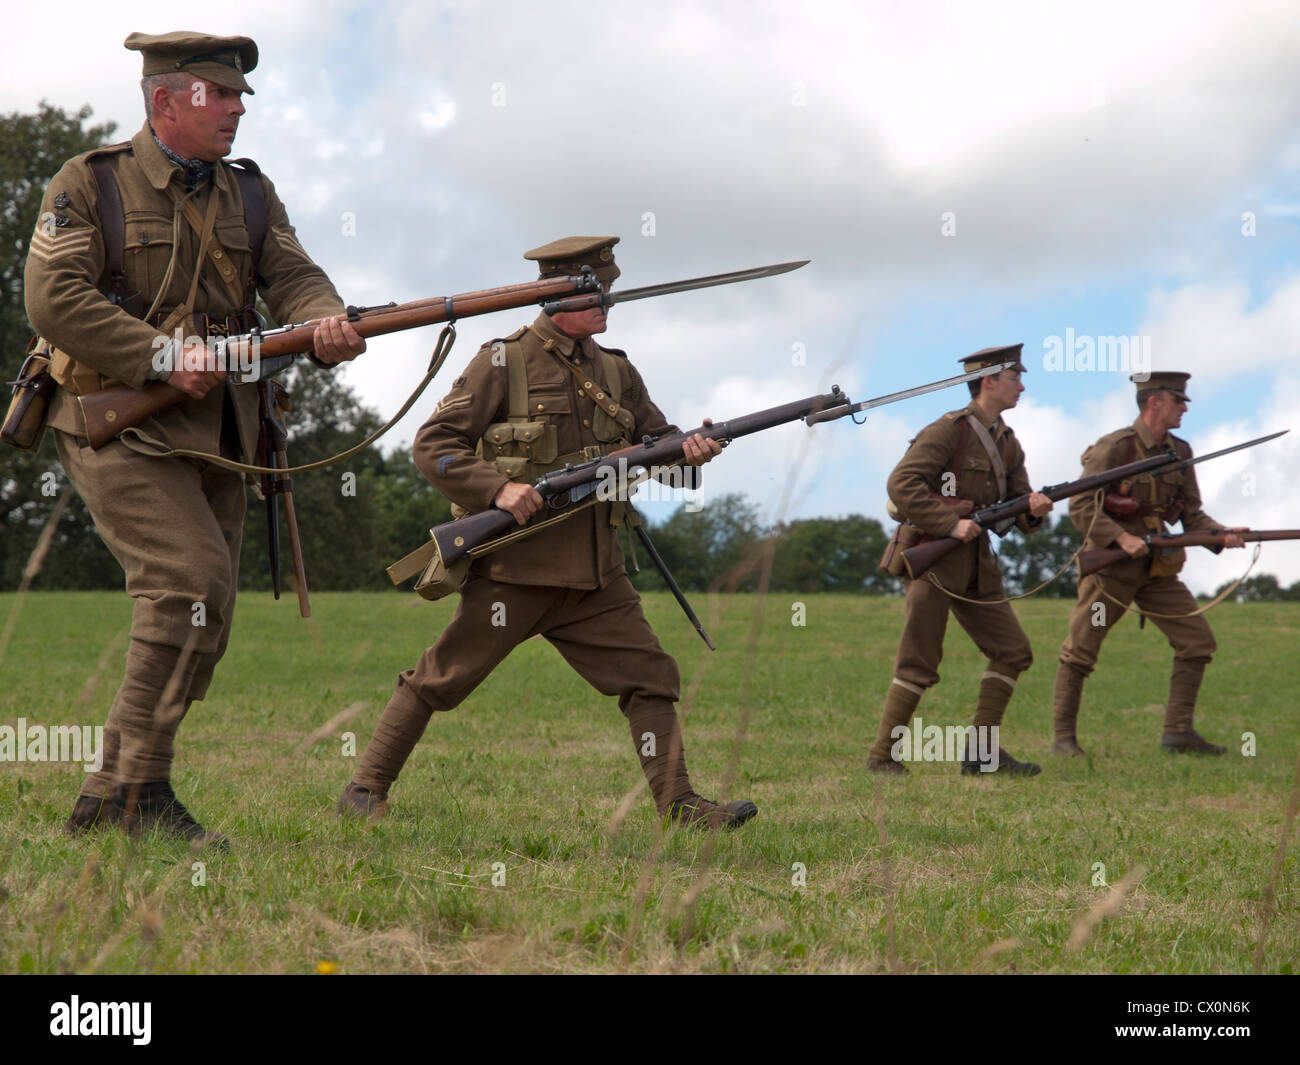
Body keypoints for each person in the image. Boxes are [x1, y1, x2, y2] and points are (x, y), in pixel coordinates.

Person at [24, 31, 366, 846]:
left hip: (221, 428)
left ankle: (128, 793)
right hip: (117, 417)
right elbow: (53, 298)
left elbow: (292, 273)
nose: (239, 108)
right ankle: (123, 797)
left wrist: (324, 320)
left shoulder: (249, 194)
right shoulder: (90, 184)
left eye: (241, 95)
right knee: (188, 581)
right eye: (220, 94)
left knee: (208, 610)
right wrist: (161, 356)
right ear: (165, 101)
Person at [337, 236, 757, 829]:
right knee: (440, 679)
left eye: (609, 289)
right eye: (596, 291)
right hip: (517, 571)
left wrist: (692, 451)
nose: (608, 302)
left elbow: (657, 452)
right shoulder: (503, 361)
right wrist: (497, 489)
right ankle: (364, 790)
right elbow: (434, 445)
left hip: (596, 575)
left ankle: (680, 806)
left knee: (650, 677)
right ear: (556, 294)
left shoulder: (617, 369)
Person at [867, 347, 1053, 776]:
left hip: (976, 565)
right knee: (919, 660)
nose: (1022, 386)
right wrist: (950, 524)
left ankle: (981, 755)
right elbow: (901, 484)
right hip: (933, 559)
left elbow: (1016, 507)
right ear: (990, 381)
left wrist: (1033, 510)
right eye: (1014, 377)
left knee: (1013, 651)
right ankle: (882, 756)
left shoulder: (1008, 442)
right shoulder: (948, 431)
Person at [1051, 372, 1245, 757]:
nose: (1185, 407)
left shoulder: (1181, 452)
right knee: (1081, 650)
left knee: (1197, 642)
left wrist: (1221, 535)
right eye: (1178, 400)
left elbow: (1192, 514)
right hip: (1112, 573)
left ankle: (1178, 734)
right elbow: (1080, 504)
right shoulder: (1115, 449)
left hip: (1158, 571)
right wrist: (1121, 538)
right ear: (1154, 402)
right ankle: (1063, 741)